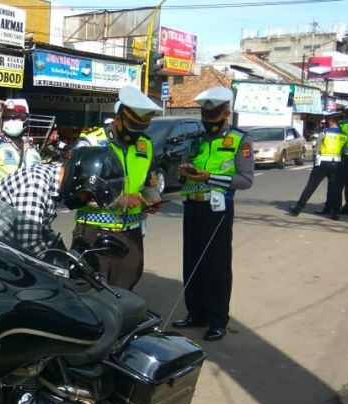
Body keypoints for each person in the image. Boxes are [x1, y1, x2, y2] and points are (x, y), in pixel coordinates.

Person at [173, 86, 254, 342]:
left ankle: (217, 319)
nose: (209, 122)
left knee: (216, 265)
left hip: (217, 209)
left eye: (214, 117)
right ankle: (195, 313)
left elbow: (245, 180)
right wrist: (184, 171)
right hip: (192, 206)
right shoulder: (196, 140)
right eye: (205, 117)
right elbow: (183, 169)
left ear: (226, 113)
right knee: (192, 261)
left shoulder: (240, 140)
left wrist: (210, 177)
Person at [72, 86, 163, 289]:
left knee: (124, 295)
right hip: (93, 234)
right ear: (118, 119)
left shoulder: (146, 146)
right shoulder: (91, 142)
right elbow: (72, 193)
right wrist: (115, 200)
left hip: (131, 236)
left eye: (140, 128)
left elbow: (149, 183)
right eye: (132, 126)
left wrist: (153, 198)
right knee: (88, 295)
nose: (135, 134)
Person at [0, 147, 121, 256]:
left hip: (0, 249)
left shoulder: (52, 181)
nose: (87, 202)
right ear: (79, 182)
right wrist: (59, 265)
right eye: (89, 196)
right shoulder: (36, 185)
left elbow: (42, 230)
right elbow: (29, 244)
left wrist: (64, 253)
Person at [287, 112, 345, 218]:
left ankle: (298, 208)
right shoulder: (343, 134)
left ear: (330, 121)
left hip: (323, 162)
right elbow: (343, 149)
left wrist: (315, 159)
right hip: (337, 163)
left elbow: (317, 148)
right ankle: (336, 213)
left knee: (311, 185)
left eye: (327, 119)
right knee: (335, 188)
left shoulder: (325, 132)